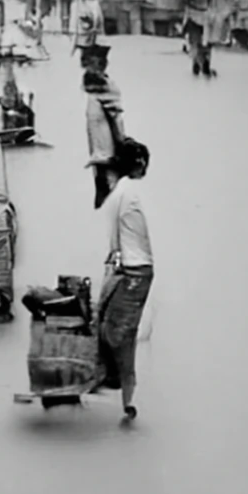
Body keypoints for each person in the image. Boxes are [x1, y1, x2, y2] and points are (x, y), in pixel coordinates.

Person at [96, 139, 153, 422]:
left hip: (133, 272)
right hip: (132, 270)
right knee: (117, 330)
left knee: (115, 331)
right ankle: (126, 395)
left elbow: (117, 243)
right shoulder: (131, 192)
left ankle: (119, 384)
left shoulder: (124, 193)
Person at [82, 44, 125, 208]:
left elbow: (117, 121)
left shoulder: (105, 88)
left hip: (108, 154)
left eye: (90, 63)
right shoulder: (93, 90)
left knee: (109, 197)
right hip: (99, 154)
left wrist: (121, 145)